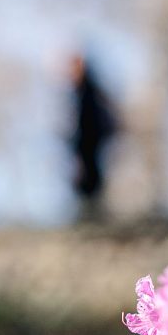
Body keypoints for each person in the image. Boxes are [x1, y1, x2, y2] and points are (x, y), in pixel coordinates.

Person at [68, 53, 117, 218]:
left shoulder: (88, 92)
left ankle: (91, 216)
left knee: (90, 182)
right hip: (87, 145)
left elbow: (88, 123)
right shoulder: (82, 91)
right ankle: (90, 215)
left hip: (89, 145)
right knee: (88, 182)